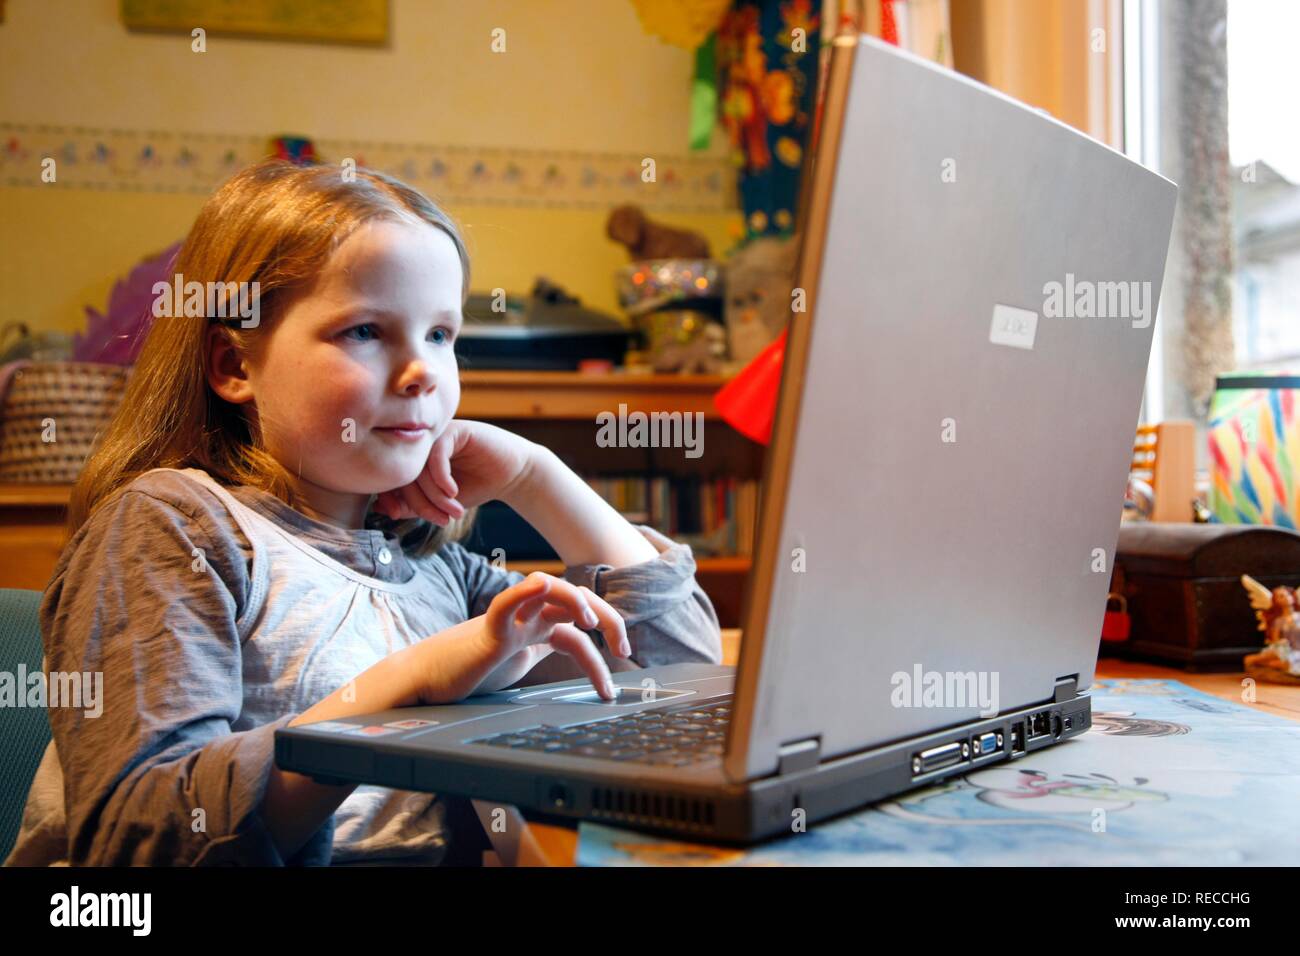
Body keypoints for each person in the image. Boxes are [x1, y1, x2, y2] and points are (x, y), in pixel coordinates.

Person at [4, 159, 722, 866]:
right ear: (233, 366)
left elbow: (675, 679)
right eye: (366, 332)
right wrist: (408, 685)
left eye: (442, 334)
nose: (423, 372)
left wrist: (536, 476)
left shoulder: (431, 569)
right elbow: (141, 842)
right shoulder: (172, 529)